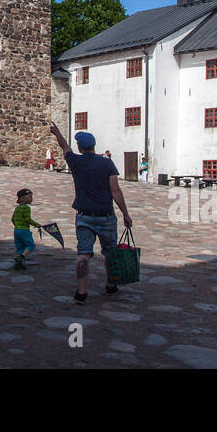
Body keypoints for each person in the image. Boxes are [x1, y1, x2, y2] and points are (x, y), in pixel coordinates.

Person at [50, 122, 132, 304]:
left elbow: (65, 147)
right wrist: (125, 214)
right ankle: (111, 285)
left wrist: (57, 133)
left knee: (83, 254)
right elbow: (116, 191)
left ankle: (81, 292)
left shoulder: (75, 161)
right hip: (105, 215)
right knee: (110, 253)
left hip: (84, 215)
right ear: (94, 146)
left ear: (80, 147)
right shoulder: (107, 163)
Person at [12, 188, 40, 269]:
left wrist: (17, 225)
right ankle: (21, 257)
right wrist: (36, 224)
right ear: (22, 198)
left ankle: (18, 264)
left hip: (16, 230)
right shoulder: (27, 208)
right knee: (31, 246)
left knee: (20, 247)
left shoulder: (17, 208)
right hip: (24, 230)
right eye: (30, 196)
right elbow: (27, 219)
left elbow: (12, 219)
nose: (32, 198)